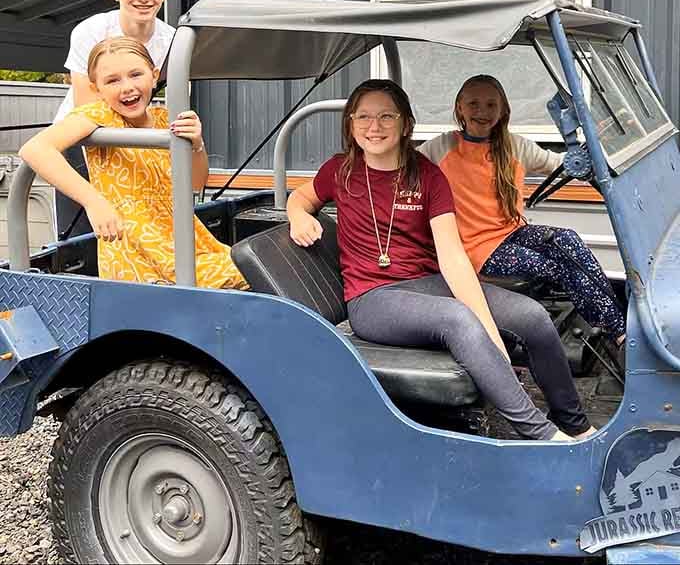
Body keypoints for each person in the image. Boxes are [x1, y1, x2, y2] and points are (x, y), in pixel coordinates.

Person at [287, 79, 595, 442]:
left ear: (405, 123)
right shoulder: (338, 170)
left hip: (428, 283)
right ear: (350, 124)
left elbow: (452, 256)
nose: (374, 127)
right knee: (458, 318)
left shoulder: (428, 175)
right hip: (373, 298)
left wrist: (492, 330)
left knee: (533, 316)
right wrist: (298, 215)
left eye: (387, 116)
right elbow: (301, 198)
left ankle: (574, 423)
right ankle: (544, 437)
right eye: (363, 117)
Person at [418, 74, 626, 365]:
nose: (482, 111)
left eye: (491, 104)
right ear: (459, 109)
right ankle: (617, 333)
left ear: (503, 110)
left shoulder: (515, 146)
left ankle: (620, 326)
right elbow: (401, 171)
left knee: (568, 239)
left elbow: (560, 164)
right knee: (556, 268)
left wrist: (593, 152)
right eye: (473, 103)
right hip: (475, 249)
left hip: (512, 233)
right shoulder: (439, 149)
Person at [20, 37, 247, 290]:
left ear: (154, 75)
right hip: (135, 254)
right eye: (112, 80)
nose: (127, 87)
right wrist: (94, 202)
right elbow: (35, 149)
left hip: (183, 241)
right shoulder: (98, 115)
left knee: (258, 267)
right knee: (250, 274)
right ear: (97, 89)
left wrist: (196, 144)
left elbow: (196, 182)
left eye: (135, 74)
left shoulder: (166, 119)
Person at [53, 0, 175, 238]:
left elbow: (177, 101)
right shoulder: (92, 31)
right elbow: (88, 107)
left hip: (134, 141)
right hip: (84, 140)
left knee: (134, 232)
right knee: (81, 239)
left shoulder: (172, 39)